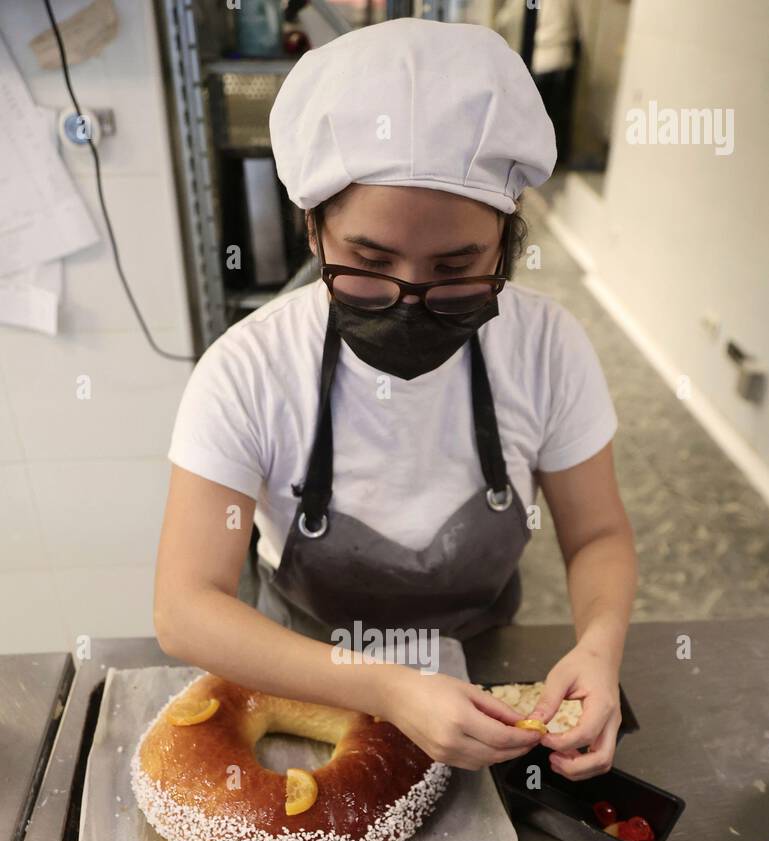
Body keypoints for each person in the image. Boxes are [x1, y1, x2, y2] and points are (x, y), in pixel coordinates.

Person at [154, 18, 636, 777]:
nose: (407, 300)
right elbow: (185, 606)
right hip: (301, 673)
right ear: (313, 230)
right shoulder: (247, 371)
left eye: (455, 267)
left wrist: (597, 648)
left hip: (484, 668)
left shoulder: (547, 348)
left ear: (507, 241)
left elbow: (599, 535)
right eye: (368, 261)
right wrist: (385, 687)